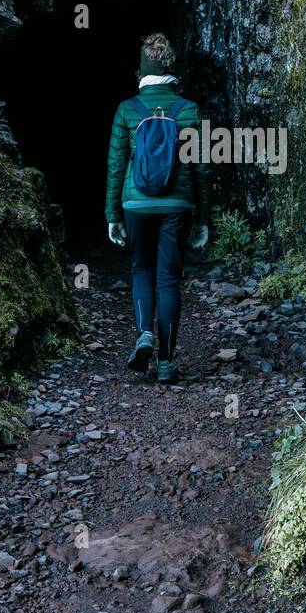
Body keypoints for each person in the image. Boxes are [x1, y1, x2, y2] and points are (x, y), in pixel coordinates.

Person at [105, 32, 210, 384]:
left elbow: (116, 166)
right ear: (171, 67)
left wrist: (112, 215)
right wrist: (204, 218)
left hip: (136, 203)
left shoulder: (127, 110)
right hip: (177, 204)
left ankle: (143, 335)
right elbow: (200, 168)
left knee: (140, 270)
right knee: (169, 279)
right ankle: (166, 361)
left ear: (142, 69)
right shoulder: (189, 110)